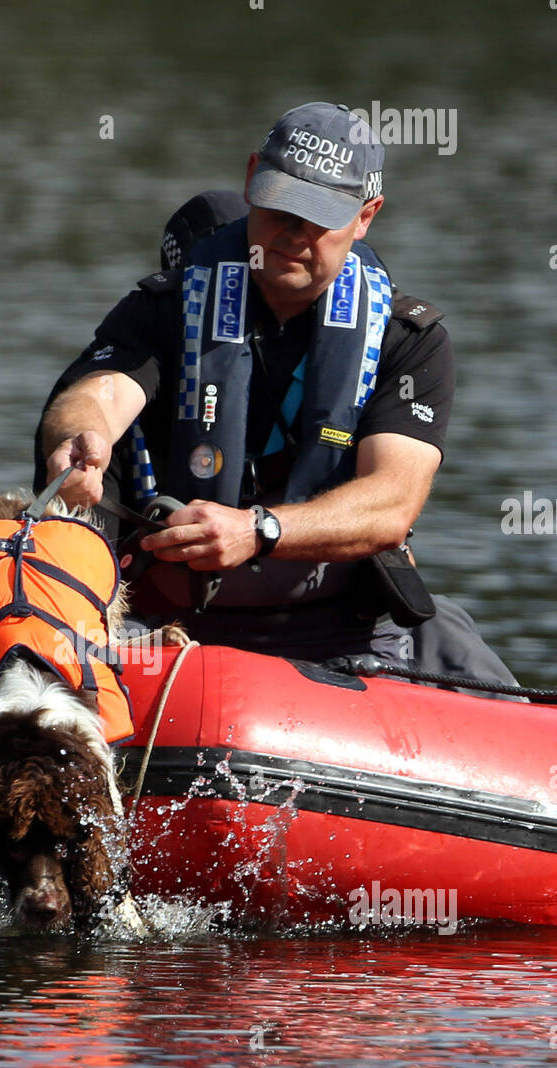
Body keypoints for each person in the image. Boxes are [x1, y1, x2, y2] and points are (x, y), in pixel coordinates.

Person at [34, 101, 517, 691]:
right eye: (280, 204)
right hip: (164, 627)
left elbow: (393, 502)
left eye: (319, 216)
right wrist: (77, 437)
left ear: (366, 216)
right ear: (250, 178)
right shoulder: (164, 309)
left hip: (342, 630)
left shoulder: (410, 341)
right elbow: (97, 395)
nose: (292, 233)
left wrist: (256, 530)